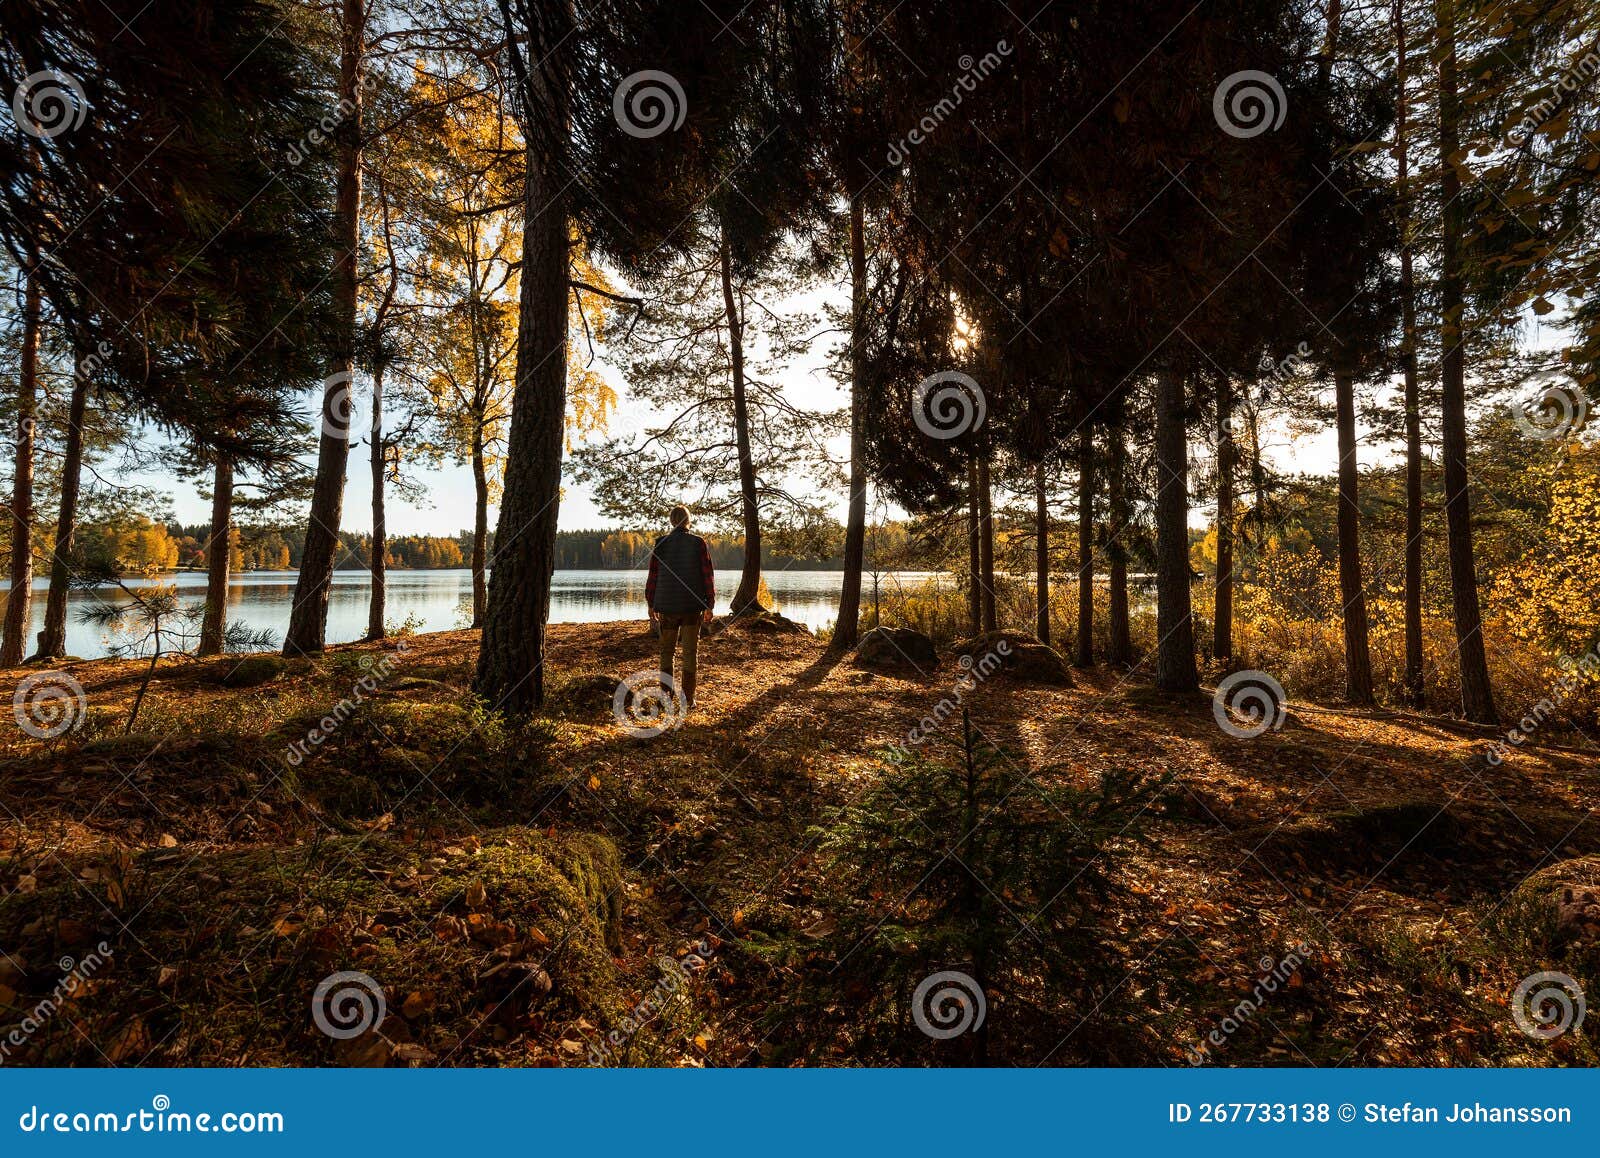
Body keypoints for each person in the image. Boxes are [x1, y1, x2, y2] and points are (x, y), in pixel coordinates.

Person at [645, 505, 715, 708]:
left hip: (667, 606)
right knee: (690, 652)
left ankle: (665, 697)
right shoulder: (698, 543)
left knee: (666, 652)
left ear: (672, 521)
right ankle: (688, 699)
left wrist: (651, 603)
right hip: (692, 607)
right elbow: (707, 575)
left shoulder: (661, 543)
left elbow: (653, 576)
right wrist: (709, 604)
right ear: (687, 520)